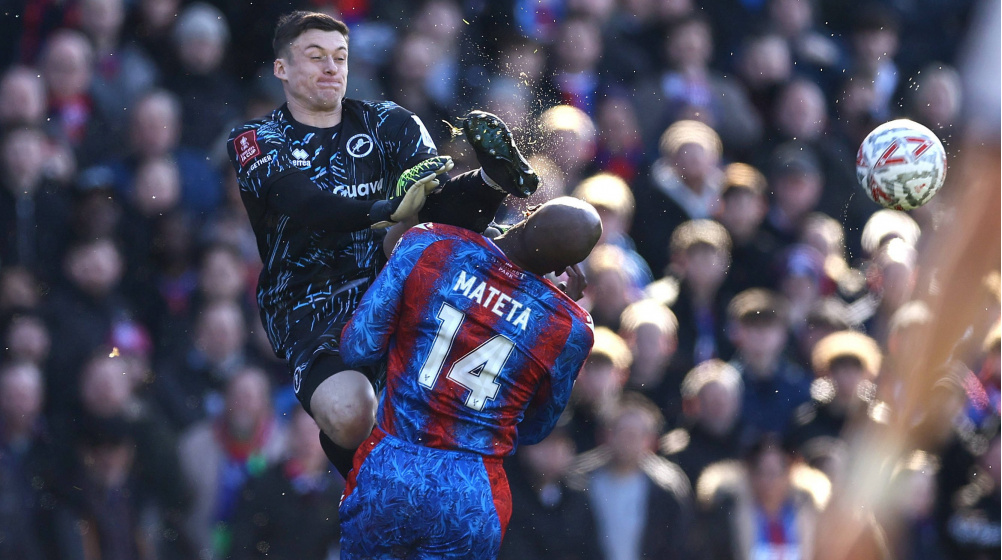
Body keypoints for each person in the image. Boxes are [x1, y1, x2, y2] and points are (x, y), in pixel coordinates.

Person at [225, 11, 539, 477]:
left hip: (395, 289)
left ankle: (493, 179)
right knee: (352, 418)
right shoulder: (255, 138)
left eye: (340, 57)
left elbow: (436, 210)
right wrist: (382, 210)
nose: (332, 68)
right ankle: (370, 484)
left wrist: (477, 191)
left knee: (420, 227)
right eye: (315, 57)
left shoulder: (389, 122)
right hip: (310, 307)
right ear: (282, 69)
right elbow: (304, 203)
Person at [337, 197, 602, 559]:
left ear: (527, 215)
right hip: (473, 494)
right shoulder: (569, 327)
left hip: (390, 468)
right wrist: (558, 306)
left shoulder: (430, 244)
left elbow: (358, 346)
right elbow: (537, 429)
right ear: (564, 267)